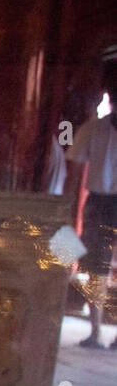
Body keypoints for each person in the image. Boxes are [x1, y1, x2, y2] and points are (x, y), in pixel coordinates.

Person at [66, 71, 117, 349]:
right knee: (96, 269)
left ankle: (96, 331)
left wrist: (68, 207)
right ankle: (98, 331)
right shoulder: (92, 129)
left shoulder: (93, 129)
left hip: (98, 203)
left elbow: (74, 175)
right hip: (98, 202)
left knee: (96, 269)